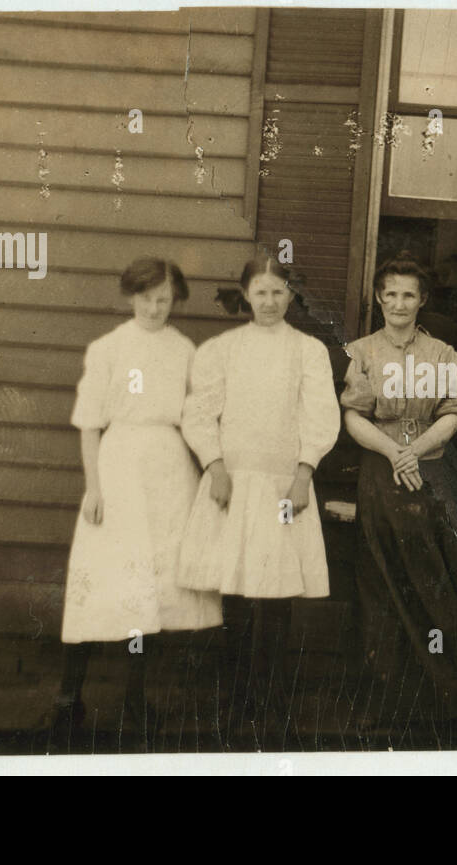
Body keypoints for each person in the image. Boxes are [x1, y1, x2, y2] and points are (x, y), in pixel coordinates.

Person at [341, 252, 457, 740]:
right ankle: (389, 705)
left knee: (437, 585)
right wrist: (394, 452)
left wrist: (415, 450)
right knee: (382, 587)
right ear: (380, 298)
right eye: (391, 294)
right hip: (381, 477)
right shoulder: (359, 351)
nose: (399, 303)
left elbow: (454, 412)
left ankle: (447, 703)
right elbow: (354, 415)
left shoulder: (444, 355)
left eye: (409, 295)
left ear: (422, 300)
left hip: (432, 476)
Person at [53, 258, 225, 753]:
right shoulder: (108, 348)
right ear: (132, 295)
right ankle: (69, 698)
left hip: (170, 470)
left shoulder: (185, 350)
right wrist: (94, 486)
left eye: (165, 299)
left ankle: (136, 697)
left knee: (153, 585)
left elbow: (198, 416)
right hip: (119, 467)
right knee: (101, 578)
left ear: (176, 300)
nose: (155, 307)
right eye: (147, 298)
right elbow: (89, 423)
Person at [177, 256, 340, 746]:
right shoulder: (222, 349)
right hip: (233, 484)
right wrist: (214, 465)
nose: (270, 301)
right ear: (246, 294)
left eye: (279, 292)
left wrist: (304, 473)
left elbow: (319, 416)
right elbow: (199, 413)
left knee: (277, 599)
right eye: (261, 292)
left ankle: (275, 712)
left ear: (292, 296)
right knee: (237, 595)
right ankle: (236, 710)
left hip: (282, 489)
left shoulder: (309, 351)